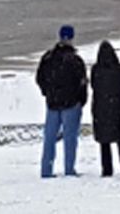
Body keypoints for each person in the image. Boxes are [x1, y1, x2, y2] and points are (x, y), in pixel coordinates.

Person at [36, 25, 87, 178]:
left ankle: (46, 169)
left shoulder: (48, 58)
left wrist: (47, 92)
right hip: (71, 103)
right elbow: (82, 82)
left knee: (50, 138)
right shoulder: (75, 60)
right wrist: (81, 100)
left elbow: (40, 78)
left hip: (52, 103)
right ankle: (69, 168)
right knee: (70, 138)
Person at [91, 41, 120, 177]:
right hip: (118, 105)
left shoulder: (96, 69)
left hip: (101, 107)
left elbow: (94, 85)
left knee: (104, 141)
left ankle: (107, 168)